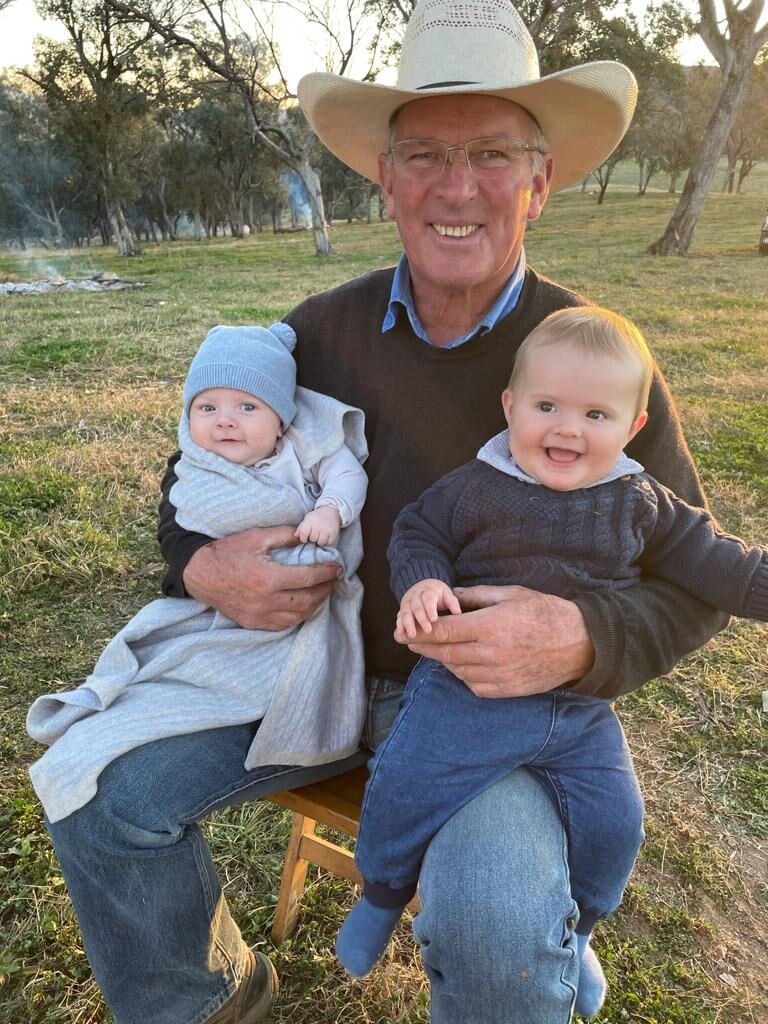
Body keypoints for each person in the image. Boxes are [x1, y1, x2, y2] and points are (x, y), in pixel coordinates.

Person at [40, 3, 730, 1022]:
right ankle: (207, 999)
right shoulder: (318, 329)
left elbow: (690, 573)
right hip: (295, 673)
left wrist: (581, 635)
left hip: (477, 709)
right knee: (97, 794)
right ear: (385, 177)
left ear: (540, 182)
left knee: (494, 927)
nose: (457, 188)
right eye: (425, 155)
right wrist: (198, 562)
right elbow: (201, 455)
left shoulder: (594, 358)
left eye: (493, 154)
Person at [335, 305, 768, 1014]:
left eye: (597, 415)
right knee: (404, 784)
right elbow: (419, 531)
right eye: (546, 407)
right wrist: (424, 583)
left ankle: (579, 931)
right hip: (466, 694)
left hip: (578, 708)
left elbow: (723, 567)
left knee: (616, 823)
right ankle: (380, 896)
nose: (567, 430)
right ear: (511, 407)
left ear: (634, 428)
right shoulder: (478, 483)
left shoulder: (641, 501)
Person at [27, 321, 368, 827]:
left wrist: (329, 512)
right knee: (168, 655)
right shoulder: (200, 464)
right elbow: (184, 507)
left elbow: (348, 475)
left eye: (247, 408)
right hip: (214, 611)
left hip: (303, 603)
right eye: (207, 409)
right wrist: (202, 562)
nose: (225, 422)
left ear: (283, 418)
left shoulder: (303, 451)